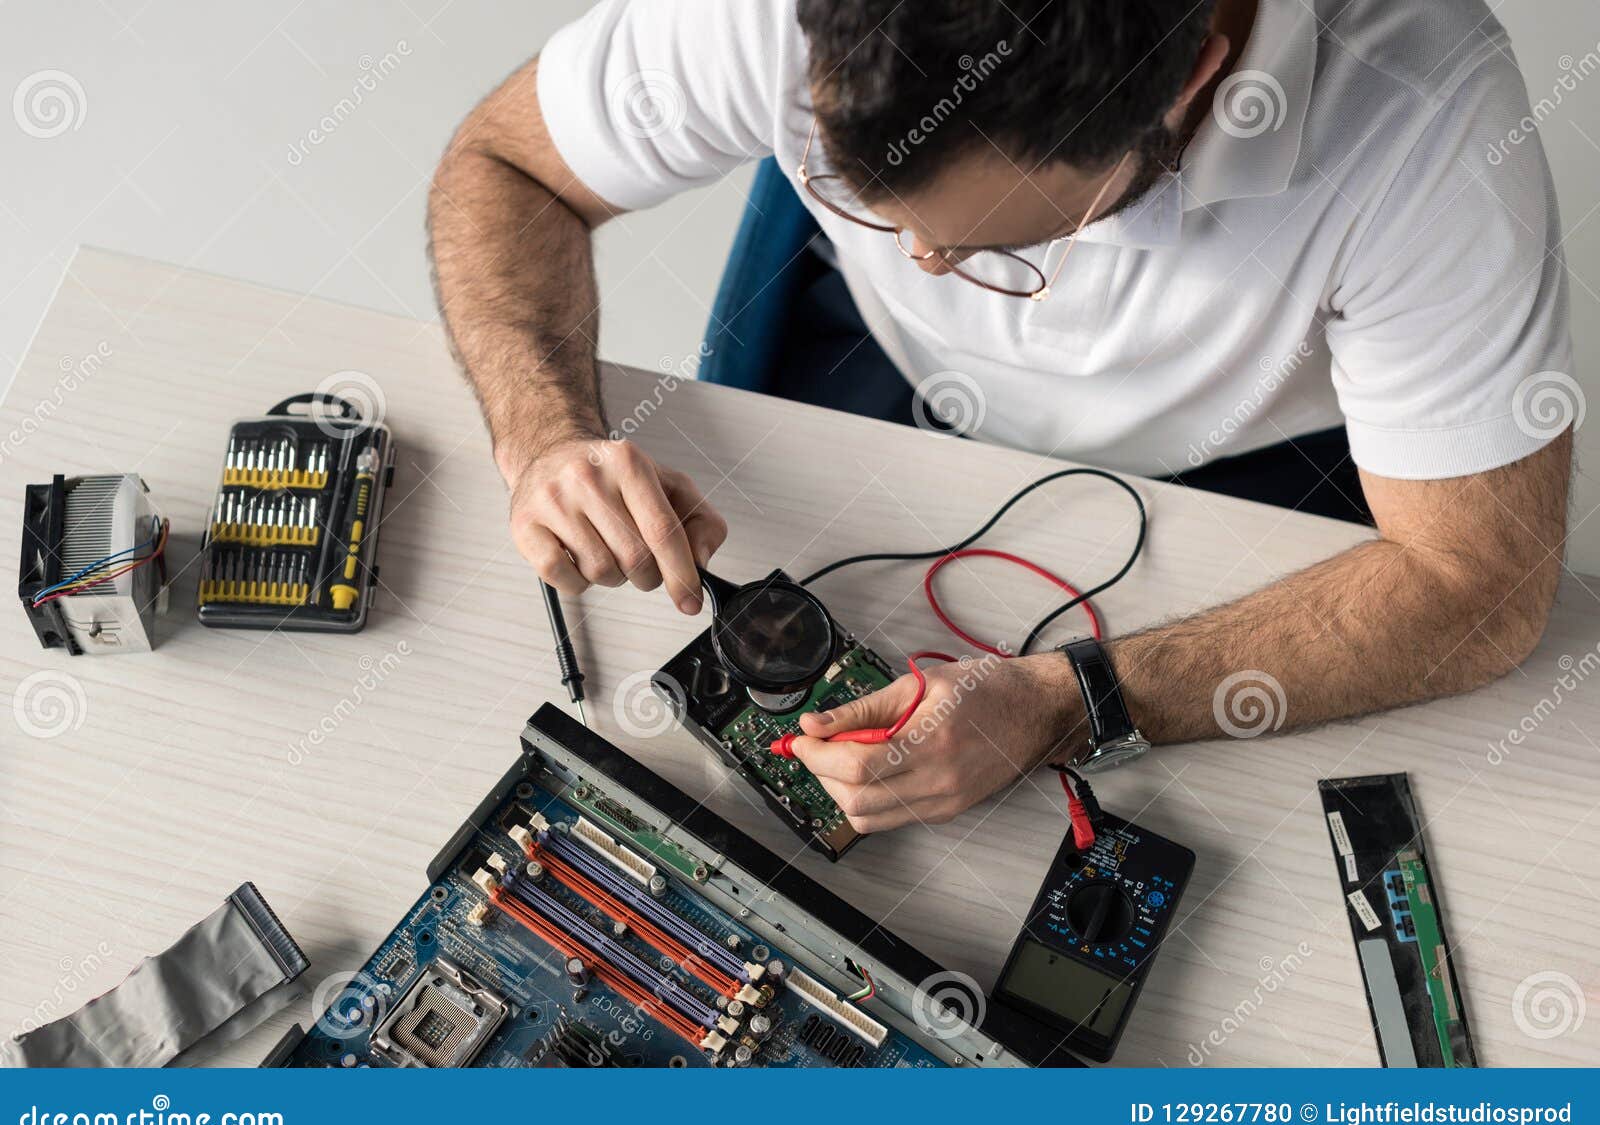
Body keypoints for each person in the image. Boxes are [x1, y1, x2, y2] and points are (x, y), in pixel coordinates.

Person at [428, 0, 1573, 834]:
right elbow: (504, 167)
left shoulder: (1429, 125)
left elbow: (1482, 585)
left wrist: (1064, 705)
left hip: (1240, 453)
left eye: (995, 248)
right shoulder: (760, 17)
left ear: (1187, 84)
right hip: (868, 373)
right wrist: (546, 437)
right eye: (866, 201)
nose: (919, 262)